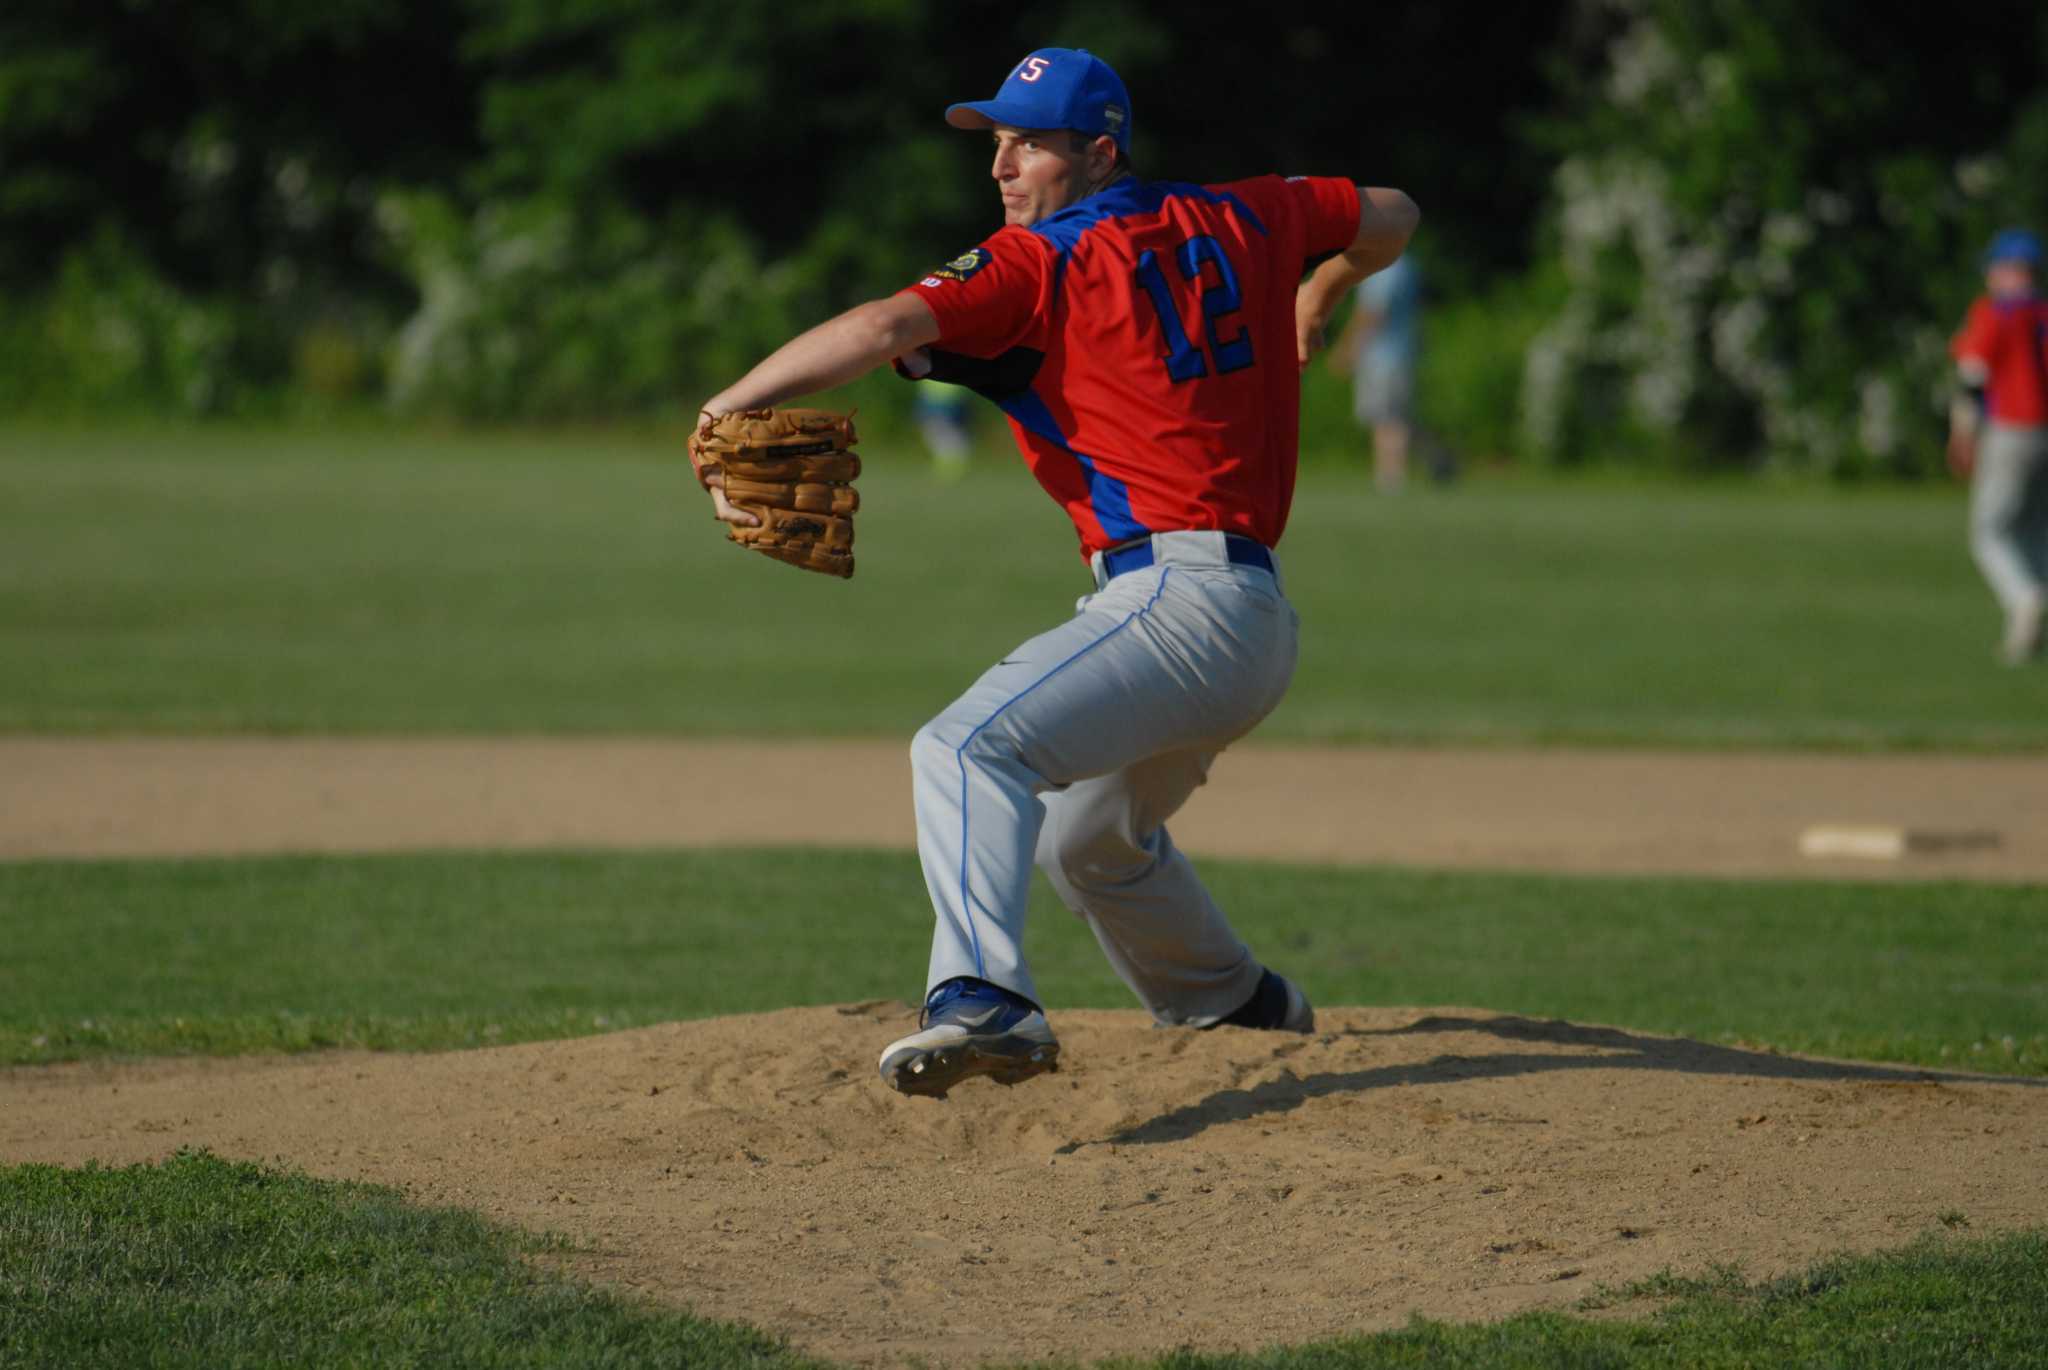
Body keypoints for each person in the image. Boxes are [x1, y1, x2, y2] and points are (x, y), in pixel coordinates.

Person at [690, 47, 1418, 1096]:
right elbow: (1391, 212)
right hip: (1252, 622)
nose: (1000, 165)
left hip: (1176, 602)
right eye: (995, 142)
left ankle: (984, 998)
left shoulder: (1041, 263)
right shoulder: (1251, 214)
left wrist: (726, 404)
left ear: (1100, 150)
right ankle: (1235, 1000)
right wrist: (1326, 281)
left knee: (962, 749)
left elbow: (884, 327)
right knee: (1087, 838)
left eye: (1026, 142)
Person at [1948, 227, 2048, 666]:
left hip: (2009, 430)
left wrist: (1962, 433)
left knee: (1989, 534)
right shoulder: (2044, 312)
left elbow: (1972, 374)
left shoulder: (1995, 312)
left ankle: (2025, 599)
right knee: (2033, 529)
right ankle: (2032, 610)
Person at [1330, 251, 1426, 490]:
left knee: (1387, 419)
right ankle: (1392, 475)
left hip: (1382, 357)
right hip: (1403, 352)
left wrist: (1348, 349)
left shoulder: (1385, 268)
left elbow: (1373, 314)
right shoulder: (1409, 266)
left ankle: (1390, 478)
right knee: (1393, 417)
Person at [913, 379, 975, 481]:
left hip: (945, 398)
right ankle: (951, 465)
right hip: (934, 396)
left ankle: (952, 466)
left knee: (948, 433)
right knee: (942, 433)